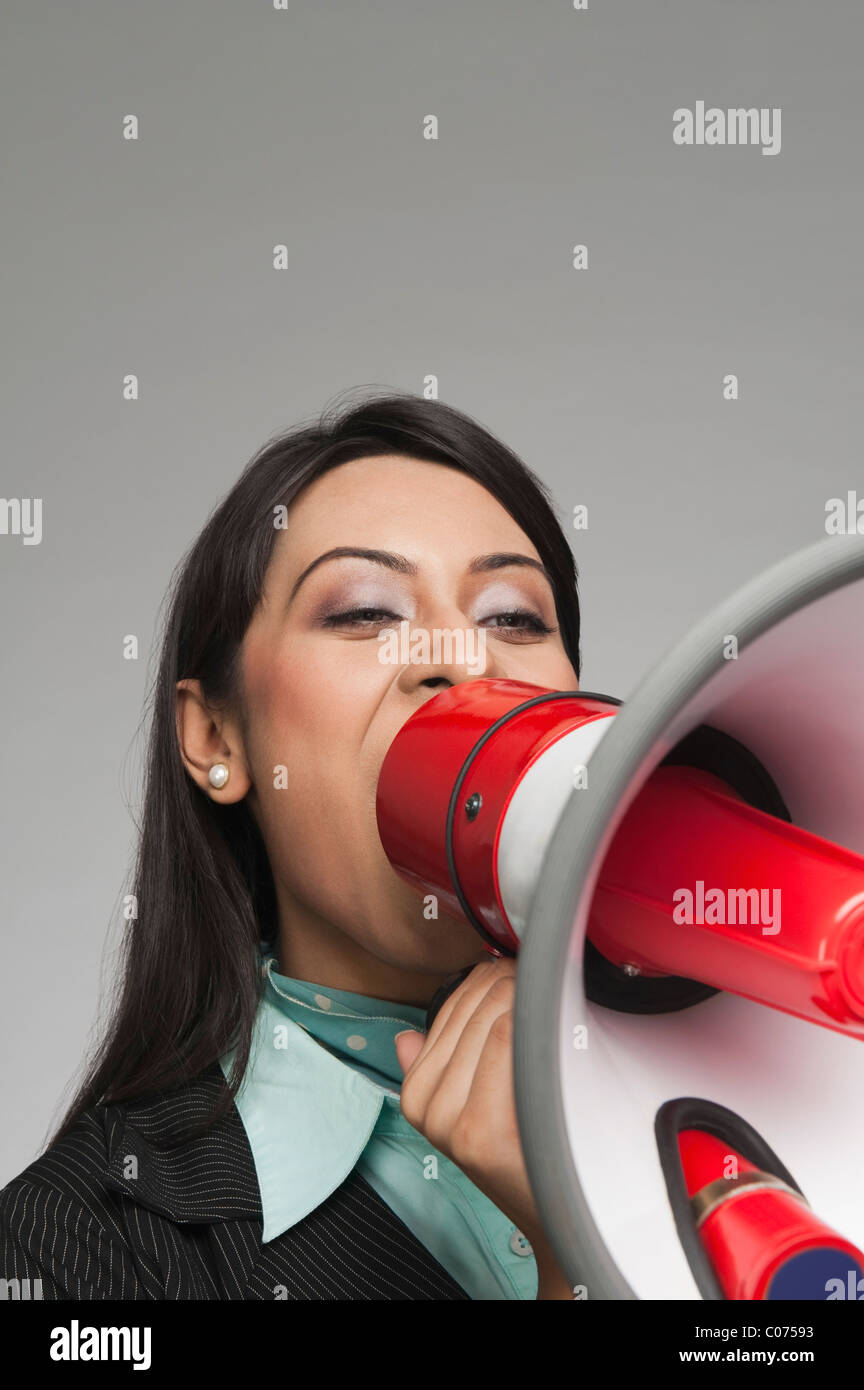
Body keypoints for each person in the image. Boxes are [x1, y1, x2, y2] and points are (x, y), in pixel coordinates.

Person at [0, 390, 582, 1300]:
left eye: (514, 617)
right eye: (363, 613)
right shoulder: (72, 1252)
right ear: (217, 740)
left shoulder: (749, 1106)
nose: (462, 660)